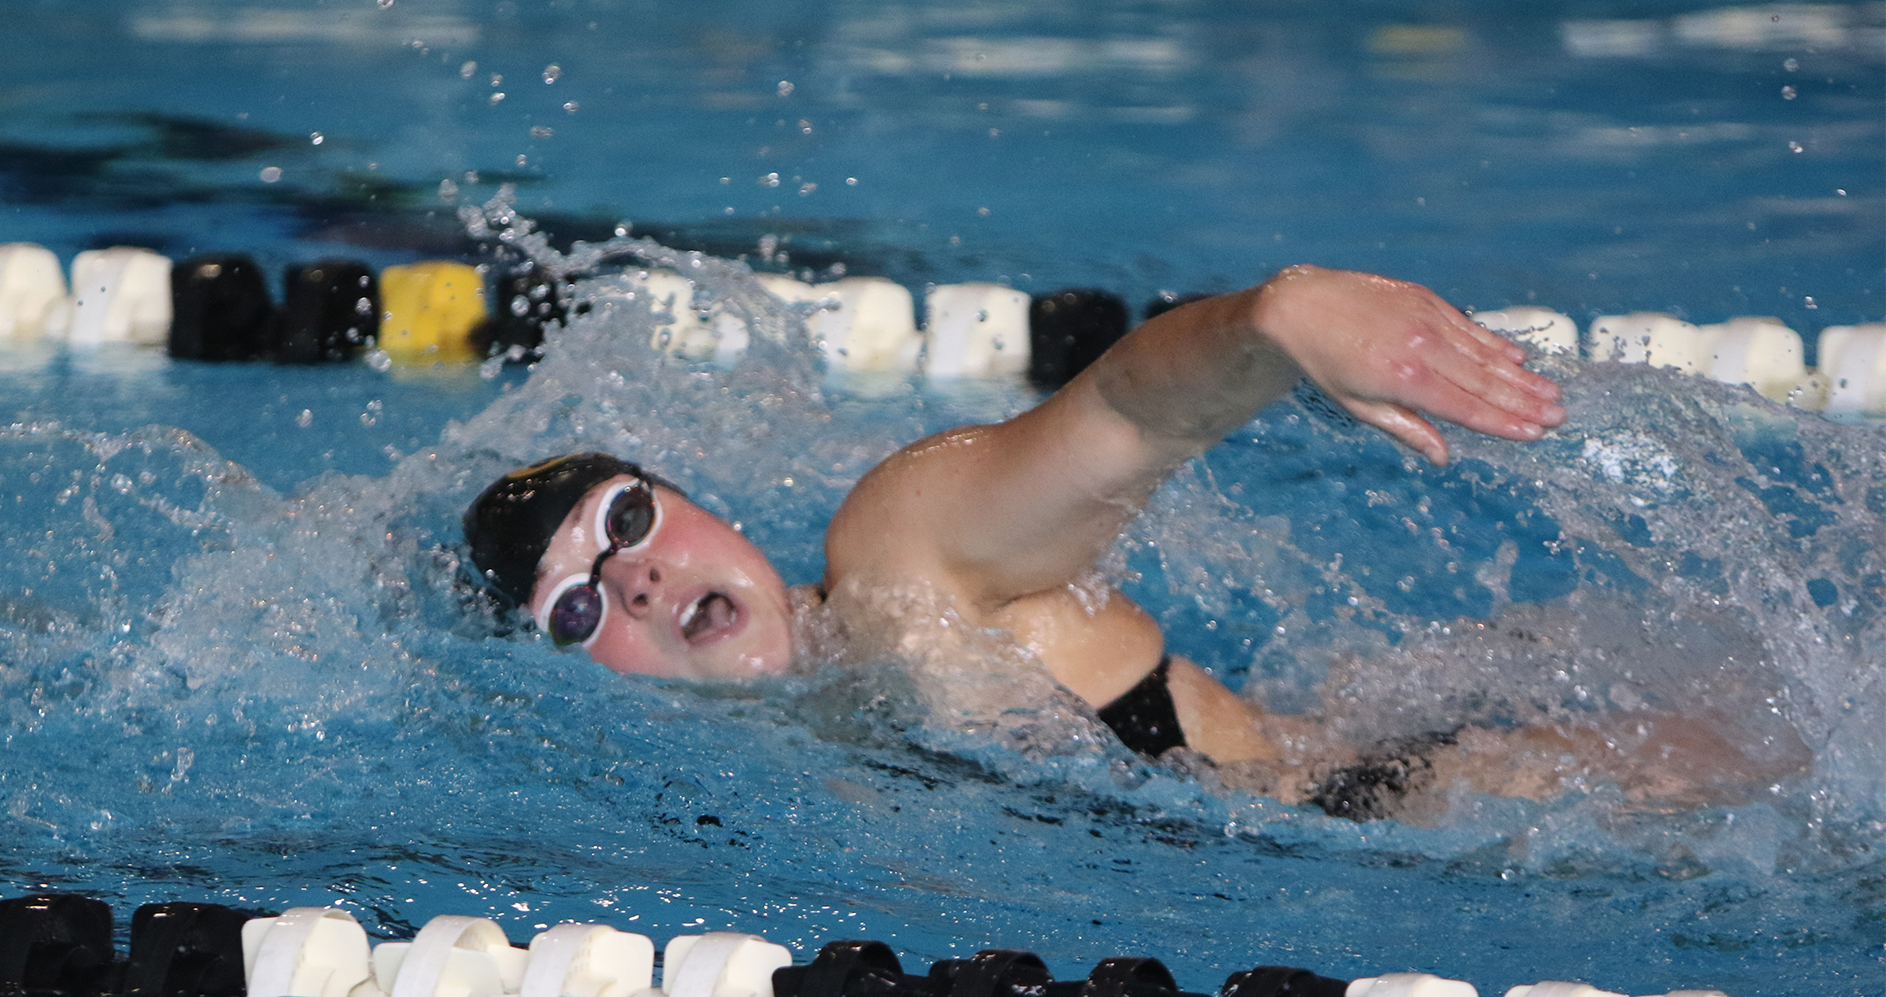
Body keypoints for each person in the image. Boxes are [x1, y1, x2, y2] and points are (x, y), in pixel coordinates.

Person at [465, 265, 1576, 815]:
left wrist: (1269, 321)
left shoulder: (897, 562)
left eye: (627, 521)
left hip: (1441, 799)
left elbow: (1126, 418)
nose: (640, 578)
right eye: (581, 606)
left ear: (703, 506)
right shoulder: (745, 770)